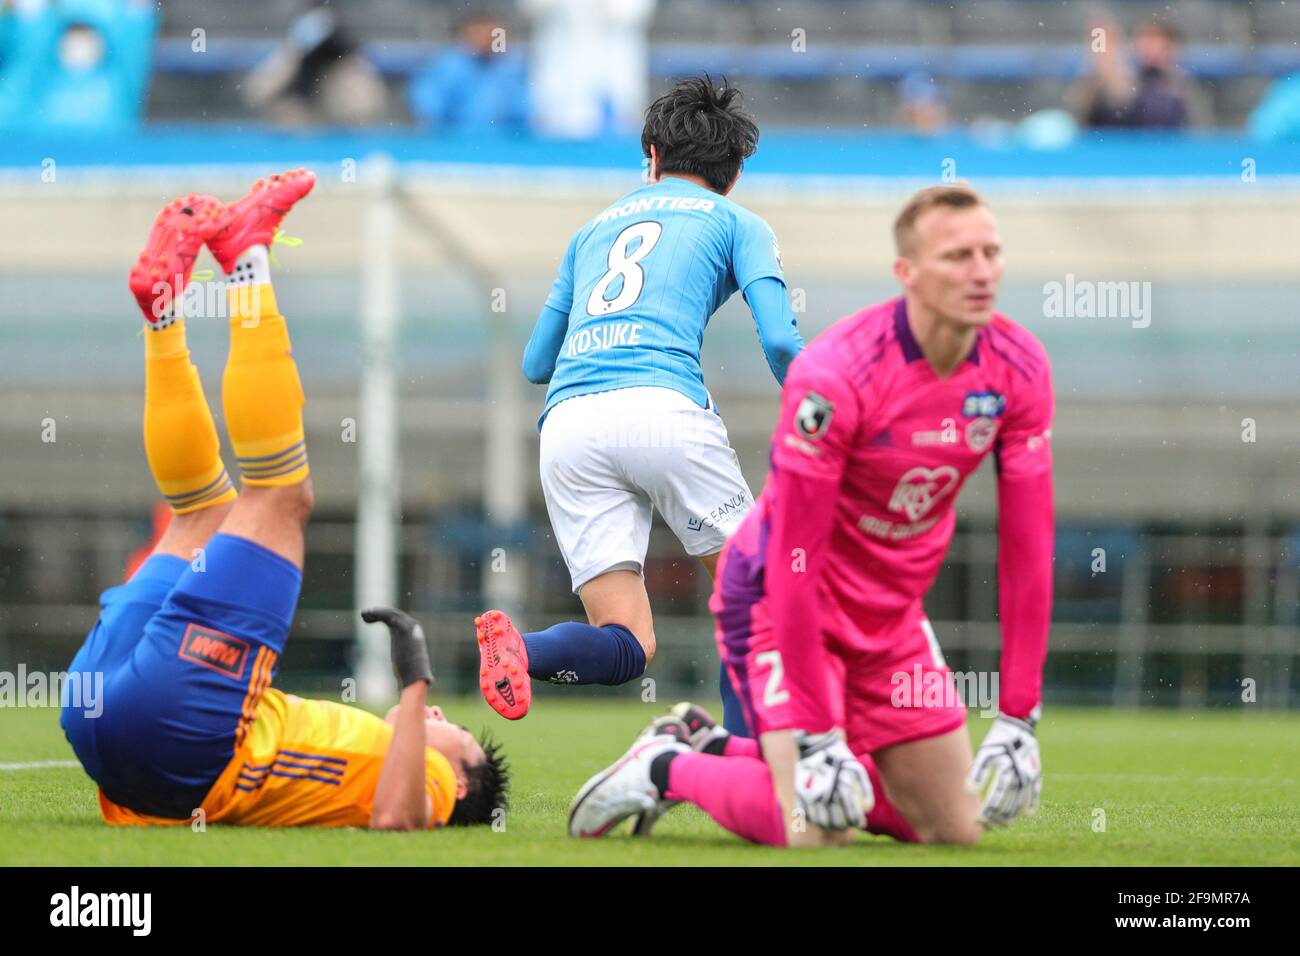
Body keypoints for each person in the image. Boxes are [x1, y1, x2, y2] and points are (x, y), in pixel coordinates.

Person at [569, 184, 1053, 847]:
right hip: (779, 603)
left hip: (891, 620)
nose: (980, 270)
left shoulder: (1017, 367)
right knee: (814, 828)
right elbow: (791, 562)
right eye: (958, 255)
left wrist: (1020, 715)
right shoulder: (837, 375)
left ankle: (716, 745)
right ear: (907, 274)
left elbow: (1027, 550)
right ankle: (667, 767)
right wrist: (823, 734)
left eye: (991, 252)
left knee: (951, 829)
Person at [60, 171, 507, 830]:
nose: (438, 719)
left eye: (456, 738)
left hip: (171, 739)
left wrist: (415, 684)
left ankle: (246, 257)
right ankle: (163, 318)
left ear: (460, 781)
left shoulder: (434, 784)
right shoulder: (352, 753)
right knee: (203, 512)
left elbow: (398, 818)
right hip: (110, 726)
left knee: (282, 494)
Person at [473, 77, 803, 722]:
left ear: (651, 155)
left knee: (627, 639)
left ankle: (523, 648)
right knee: (760, 598)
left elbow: (536, 362)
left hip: (567, 424)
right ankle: (745, 760)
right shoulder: (739, 220)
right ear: (734, 174)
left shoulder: (592, 228)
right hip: (662, 408)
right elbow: (782, 342)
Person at [1068, 17, 1199, 129]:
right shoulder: (1123, 75)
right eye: (1147, 42)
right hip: (1117, 149)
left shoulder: (1180, 84)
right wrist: (1105, 67)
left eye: (1159, 44)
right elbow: (1092, 111)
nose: (1153, 50)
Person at [407, 11, 527, 132]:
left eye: (492, 34)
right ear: (467, 34)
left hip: (501, 141)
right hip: (453, 139)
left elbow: (523, 108)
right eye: (480, 33)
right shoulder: (448, 65)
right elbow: (429, 106)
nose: (486, 39)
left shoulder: (509, 67)